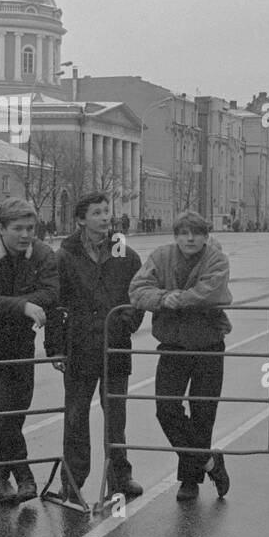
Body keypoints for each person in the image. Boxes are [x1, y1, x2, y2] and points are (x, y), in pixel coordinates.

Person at [45, 192, 145, 506]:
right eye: (97, 213)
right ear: (81, 220)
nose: (104, 217)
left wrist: (127, 322)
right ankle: (71, 482)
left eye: (106, 212)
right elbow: (54, 304)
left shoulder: (125, 255)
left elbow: (138, 293)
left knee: (116, 415)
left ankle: (120, 476)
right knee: (75, 417)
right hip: (79, 347)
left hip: (115, 346)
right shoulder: (64, 256)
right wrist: (55, 348)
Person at [0, 199, 59, 505]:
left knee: (15, 414)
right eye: (17, 228)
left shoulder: (42, 254)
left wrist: (11, 306)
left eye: (30, 228)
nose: (25, 234)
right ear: (0, 228)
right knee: (0, 413)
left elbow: (52, 293)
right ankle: (23, 475)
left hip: (20, 345)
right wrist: (23, 306)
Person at [130, 211, 232, 501]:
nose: (190, 239)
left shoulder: (215, 258)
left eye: (196, 233)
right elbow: (137, 290)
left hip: (208, 345)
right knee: (166, 409)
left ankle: (190, 479)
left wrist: (175, 299)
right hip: (173, 345)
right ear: (175, 236)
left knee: (203, 413)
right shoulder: (161, 256)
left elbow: (211, 292)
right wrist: (162, 298)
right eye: (184, 233)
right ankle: (209, 461)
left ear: (205, 236)